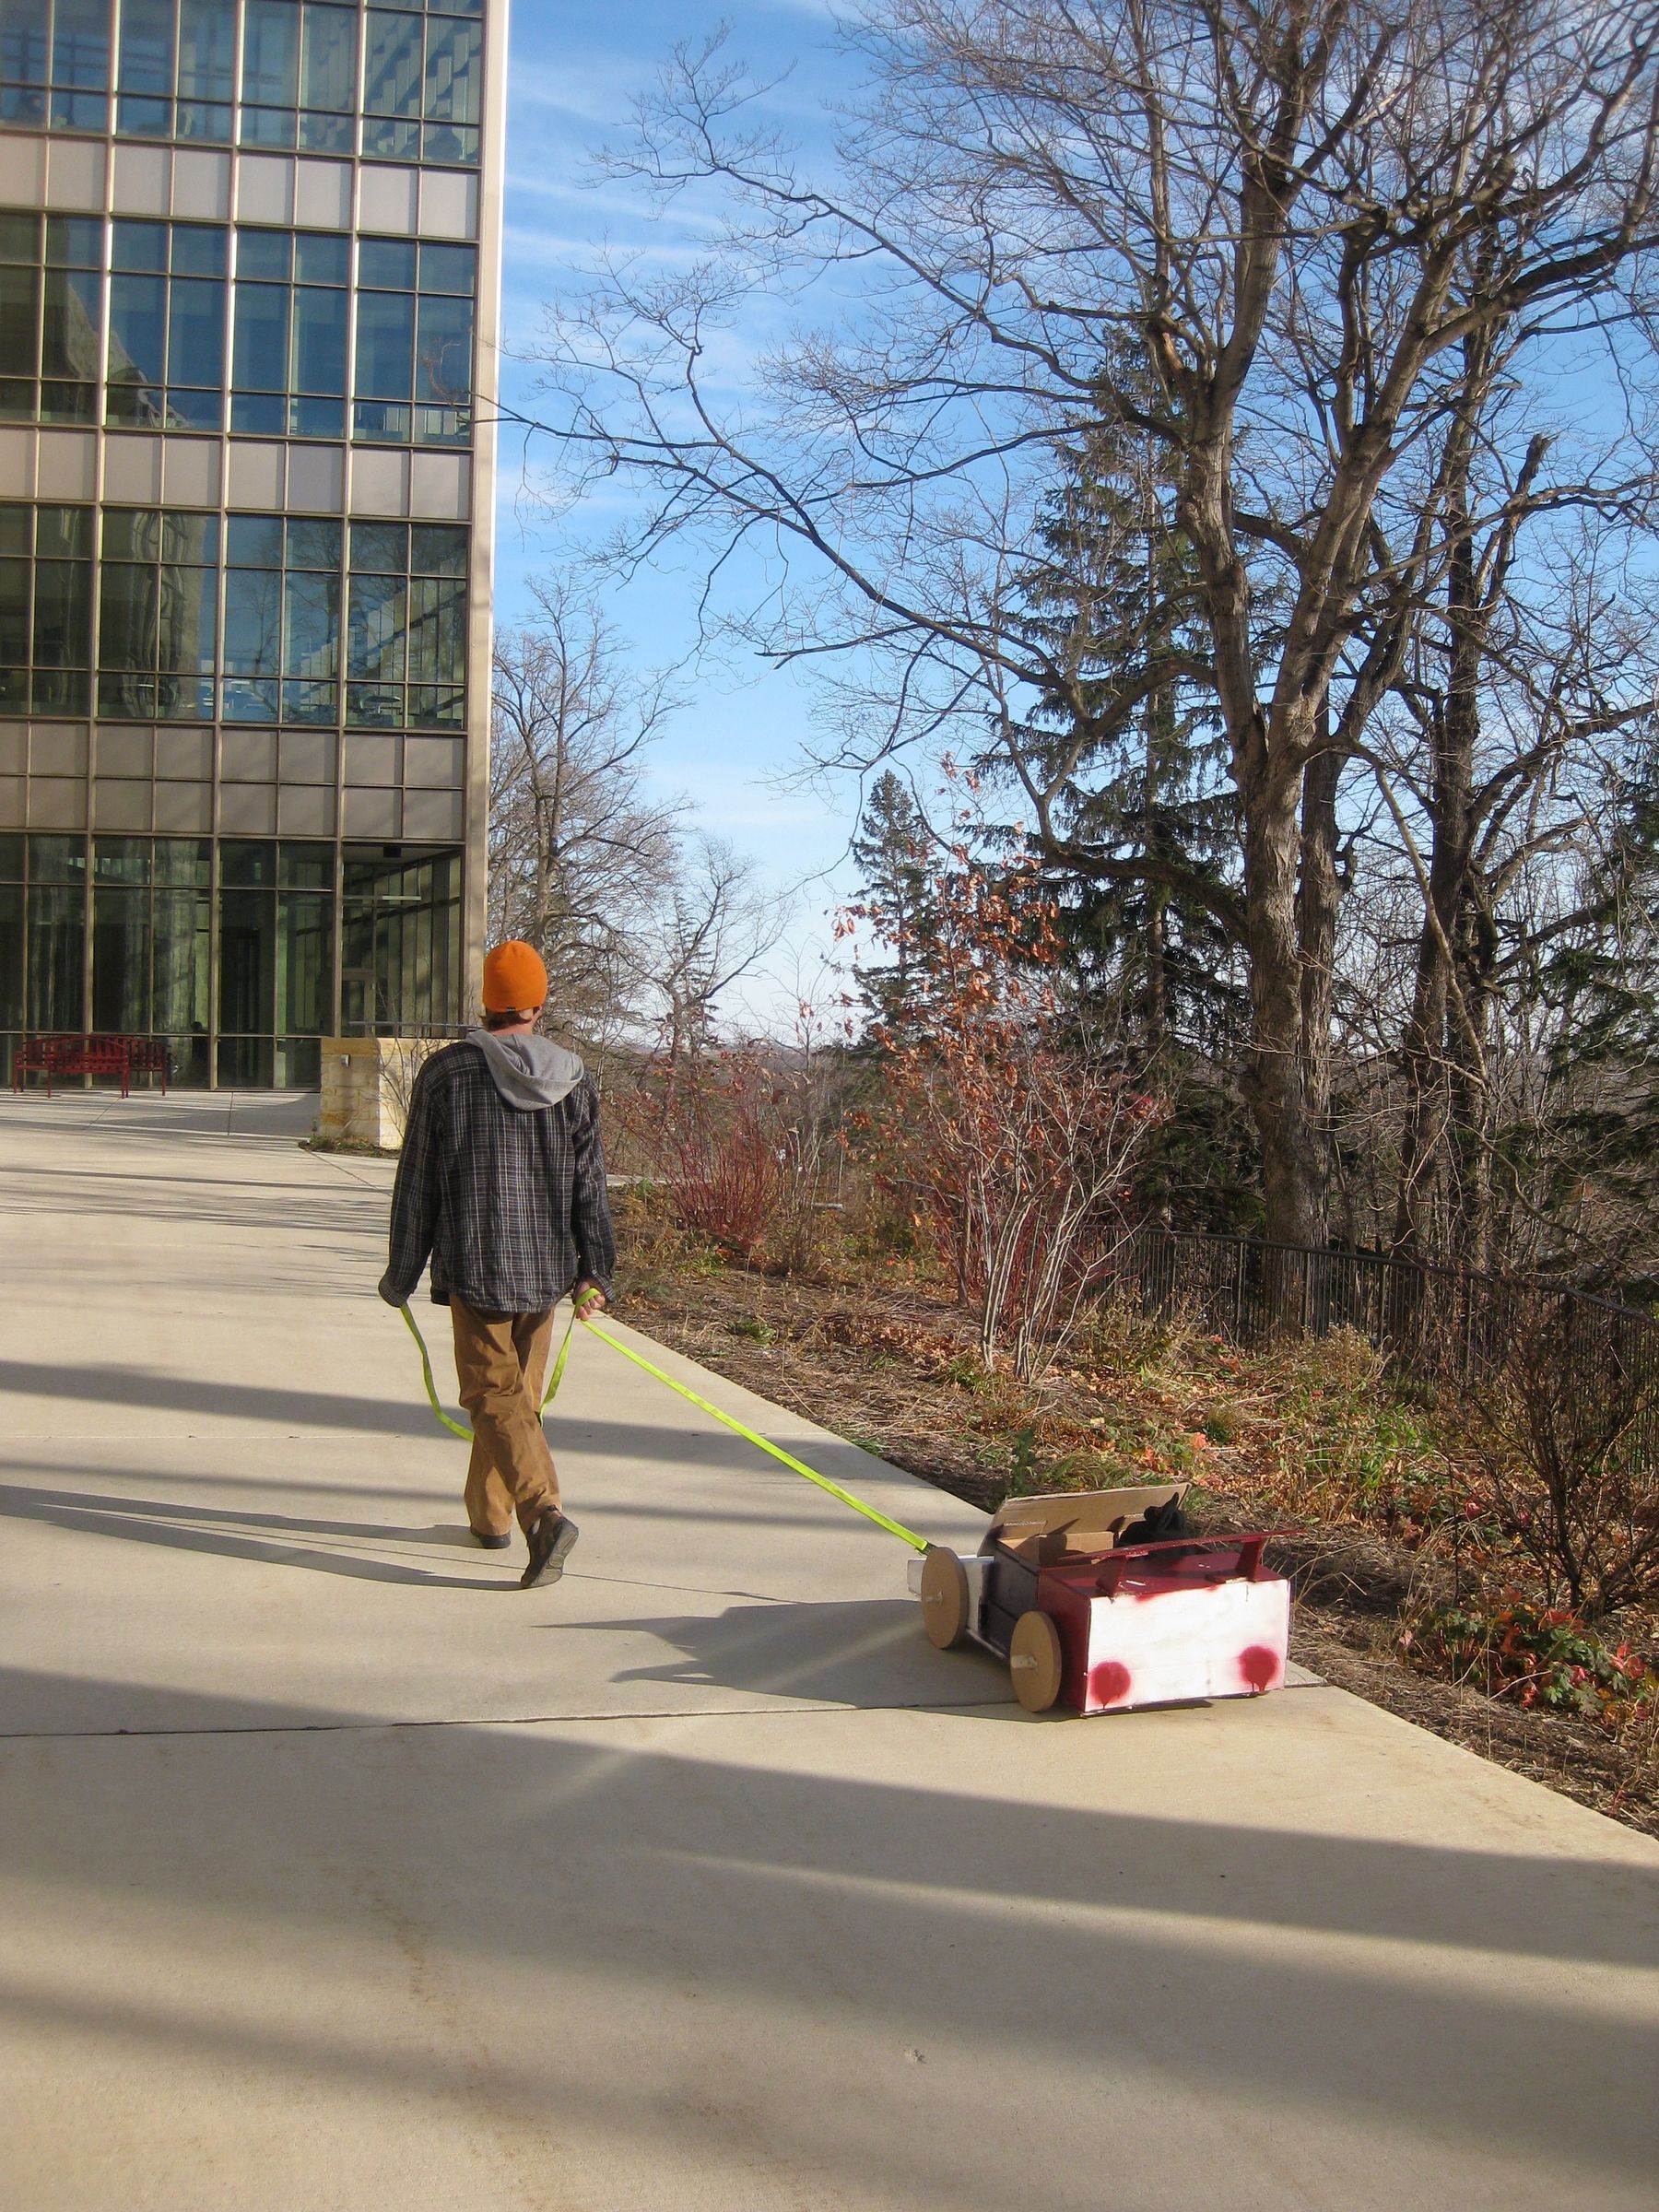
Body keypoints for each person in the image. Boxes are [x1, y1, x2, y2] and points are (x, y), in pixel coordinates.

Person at [379, 940, 617, 1589]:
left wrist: (402, 1270)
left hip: (477, 1264)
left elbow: (418, 1183)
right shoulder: (575, 1078)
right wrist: (596, 1270)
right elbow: (590, 1187)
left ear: (485, 1003)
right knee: (514, 1403)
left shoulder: (447, 1074)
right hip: (544, 1272)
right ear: (538, 1004)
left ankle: (544, 1514)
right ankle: (490, 1518)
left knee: (493, 1396)